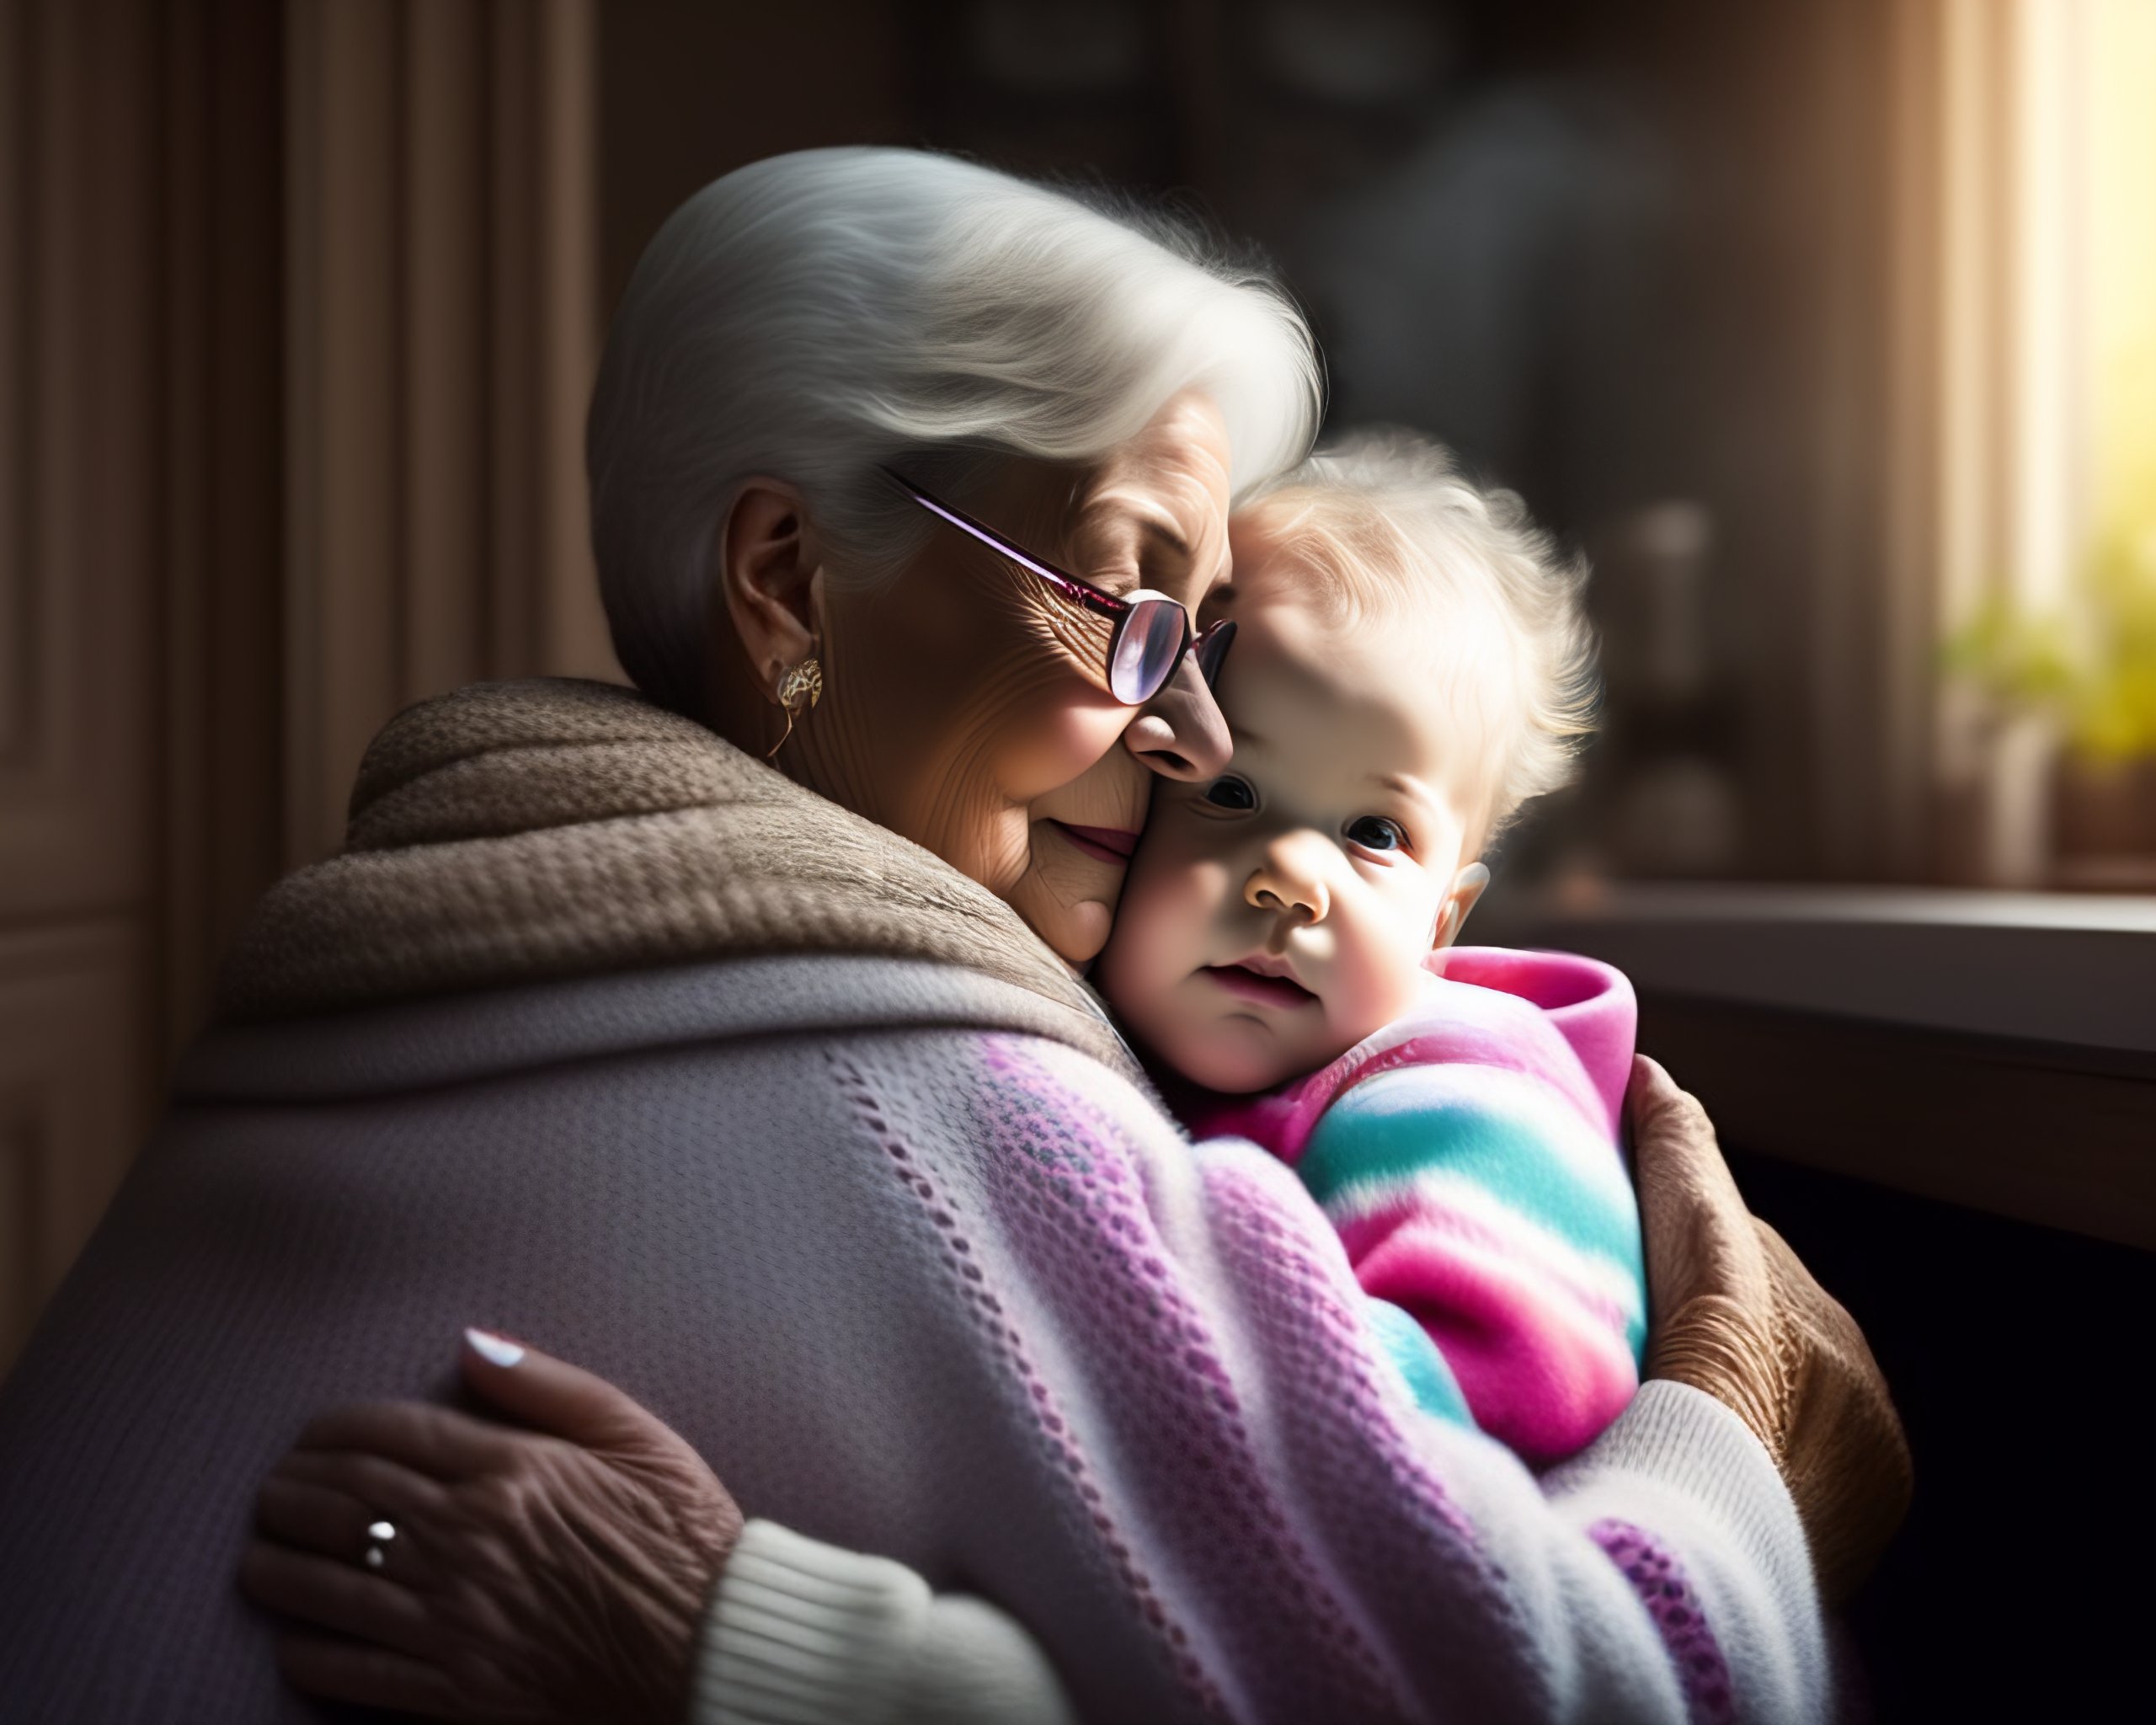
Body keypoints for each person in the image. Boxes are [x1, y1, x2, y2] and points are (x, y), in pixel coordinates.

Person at [0, 150, 1907, 1725]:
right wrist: (1734, 1432)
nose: (1190, 736)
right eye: (1123, 606)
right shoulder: (924, 1102)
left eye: (1197, 634)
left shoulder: (456, 940)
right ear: (786, 575)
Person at [1094, 433, 1644, 1465]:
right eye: (1229, 792)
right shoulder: (1101, 1039)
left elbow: (1512, 1381)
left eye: (1374, 831)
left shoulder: (1462, 1086)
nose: (1291, 879)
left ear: (1442, 921)